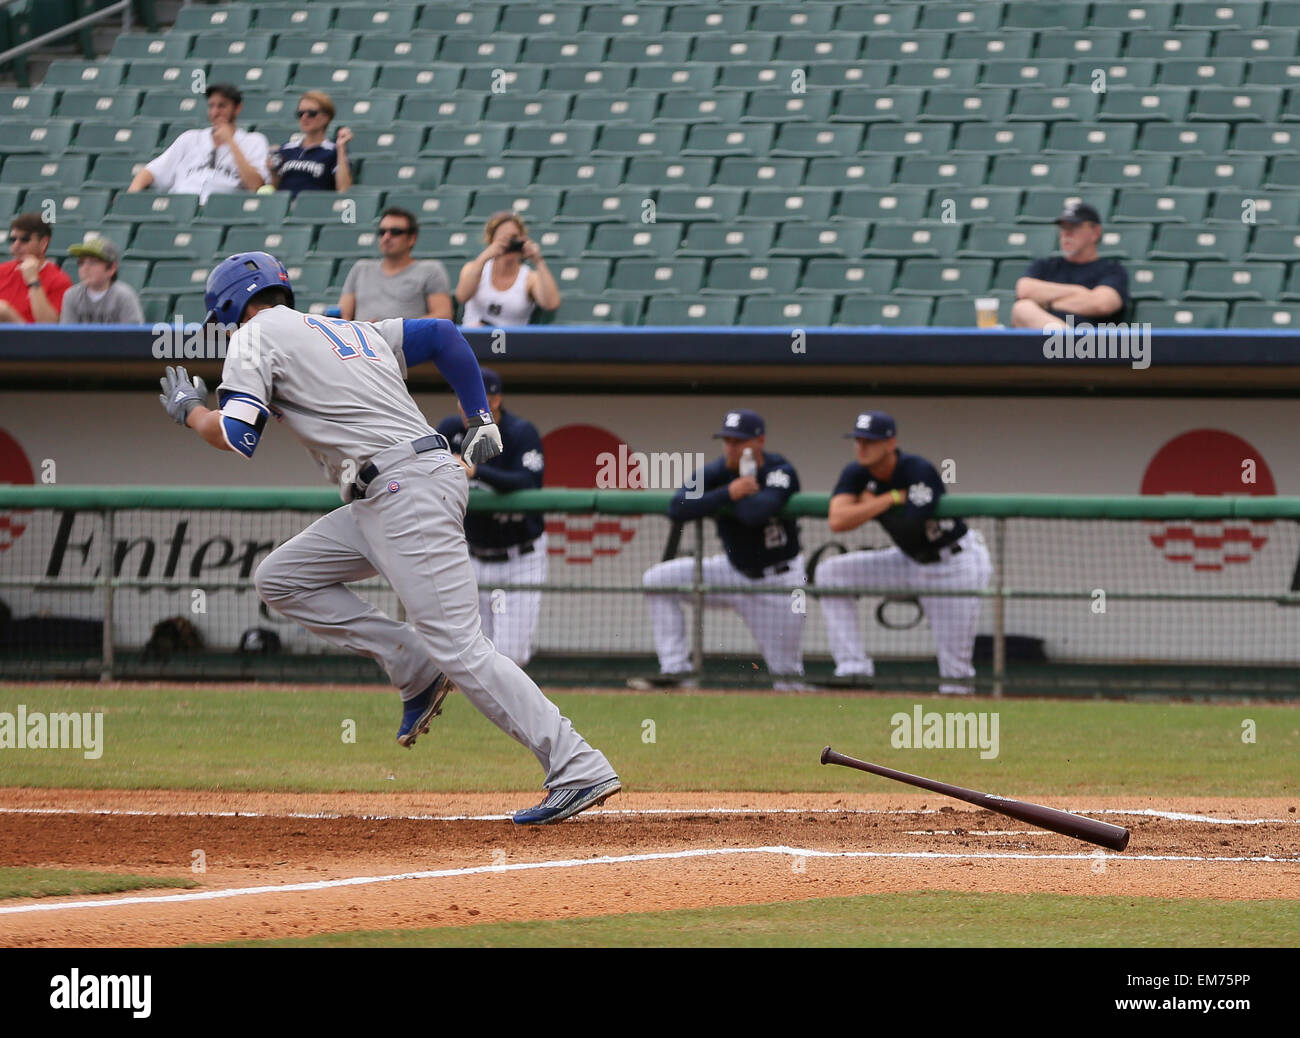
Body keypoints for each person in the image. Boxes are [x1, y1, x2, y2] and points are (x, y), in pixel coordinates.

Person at [157, 252, 619, 825]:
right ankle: (409, 659)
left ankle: (576, 764)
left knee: (461, 645)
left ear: (231, 307)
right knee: (281, 577)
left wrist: (192, 413)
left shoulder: (253, 335)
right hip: (385, 492)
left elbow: (238, 436)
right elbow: (445, 336)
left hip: (404, 489)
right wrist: (480, 418)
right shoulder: (348, 329)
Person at [815, 411, 992, 695]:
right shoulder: (855, 472)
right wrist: (891, 498)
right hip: (909, 560)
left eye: (869, 441)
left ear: (890, 443)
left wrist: (869, 504)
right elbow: (837, 520)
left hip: (953, 564)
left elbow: (911, 526)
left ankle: (957, 719)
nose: (861, 447)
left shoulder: (919, 470)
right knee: (831, 573)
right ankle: (853, 669)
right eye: (858, 440)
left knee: (955, 676)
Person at [635, 409, 807, 690]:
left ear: (760, 440)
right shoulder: (718, 472)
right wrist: (728, 493)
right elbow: (677, 507)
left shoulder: (779, 470)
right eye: (727, 440)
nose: (731, 447)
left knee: (788, 679)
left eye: (739, 441)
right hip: (732, 571)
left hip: (779, 581)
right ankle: (676, 671)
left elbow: (756, 512)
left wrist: (723, 497)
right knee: (656, 581)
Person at [435, 368, 547, 667]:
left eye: (470, 398)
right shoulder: (450, 431)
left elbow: (529, 483)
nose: (462, 404)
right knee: (475, 652)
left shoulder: (520, 433)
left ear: (494, 400)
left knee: (512, 655)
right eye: (461, 397)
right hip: (473, 556)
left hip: (519, 558)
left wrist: (477, 470)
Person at [128, 83, 269, 204]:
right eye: (211, 106)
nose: (215, 112)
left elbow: (256, 186)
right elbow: (149, 172)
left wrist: (231, 143)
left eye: (222, 106)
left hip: (222, 209)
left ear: (237, 108)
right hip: (180, 205)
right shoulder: (189, 138)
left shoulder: (254, 141)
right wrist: (130, 200)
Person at [1012, 201, 1129, 330]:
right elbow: (1024, 290)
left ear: (1095, 232)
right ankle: (1066, 340)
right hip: (1042, 344)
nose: (1066, 234)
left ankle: (1067, 342)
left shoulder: (1111, 269)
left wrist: (1047, 302)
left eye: (1074, 227)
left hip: (1093, 345)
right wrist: (1081, 293)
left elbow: (1102, 304)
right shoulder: (1045, 265)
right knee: (1023, 307)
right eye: (1063, 228)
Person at [339, 207, 453, 322]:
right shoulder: (361, 268)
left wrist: (394, 328)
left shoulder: (430, 270)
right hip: (363, 338)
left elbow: (443, 315)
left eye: (395, 232)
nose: (386, 237)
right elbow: (343, 314)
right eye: (382, 232)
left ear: (412, 239)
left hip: (406, 338)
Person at [455, 211, 561, 327]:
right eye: (503, 238)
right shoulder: (474, 268)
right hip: (472, 339)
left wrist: (538, 261)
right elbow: (462, 295)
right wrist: (485, 256)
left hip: (510, 342)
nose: (509, 244)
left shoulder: (530, 279)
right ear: (491, 240)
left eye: (514, 238)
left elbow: (551, 303)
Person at [269, 90, 353, 195]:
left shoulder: (334, 151)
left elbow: (344, 189)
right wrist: (272, 172)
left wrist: (341, 149)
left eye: (311, 113)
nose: (304, 117)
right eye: (300, 113)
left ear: (326, 117)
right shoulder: (286, 149)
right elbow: (274, 188)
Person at [0, 212, 71, 323]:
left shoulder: (59, 280)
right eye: (13, 239)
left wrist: (33, 280)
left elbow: (49, 327)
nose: (16, 245)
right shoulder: (2, 271)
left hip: (31, 339)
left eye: (24, 239)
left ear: (43, 243)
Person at [59, 234, 144, 324]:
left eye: (93, 262)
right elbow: (67, 335)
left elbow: (132, 335)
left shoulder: (124, 296)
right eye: (81, 262)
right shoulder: (71, 295)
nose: (85, 268)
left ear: (112, 269)